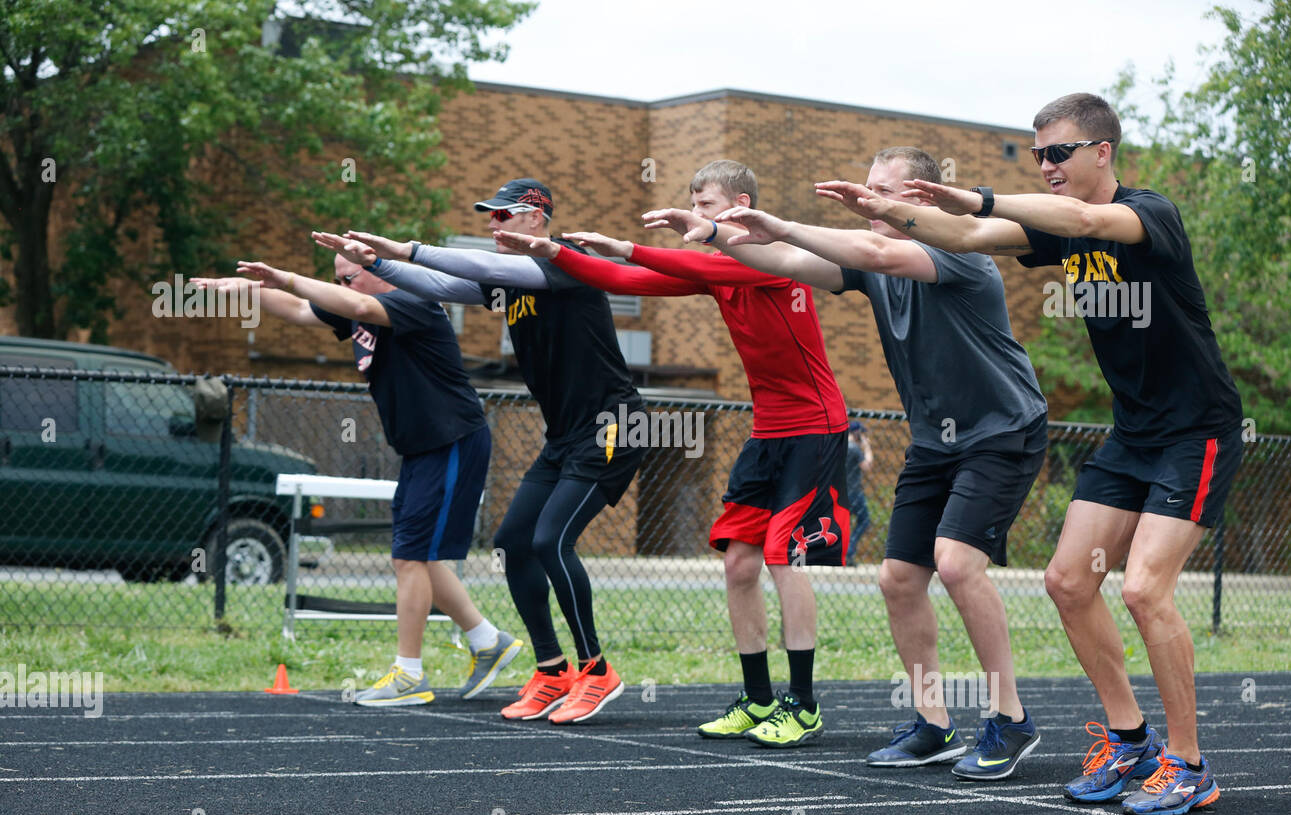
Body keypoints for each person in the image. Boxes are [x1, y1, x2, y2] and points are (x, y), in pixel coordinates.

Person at [840, 94, 1242, 815]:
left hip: (1197, 430)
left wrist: (984, 193)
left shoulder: (1150, 215)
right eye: (1037, 154)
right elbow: (958, 236)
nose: (1046, 164)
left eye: (1057, 152)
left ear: (1101, 153)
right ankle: (1130, 740)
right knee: (1066, 582)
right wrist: (892, 207)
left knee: (1146, 590)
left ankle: (1189, 763)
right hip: (1134, 433)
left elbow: (1086, 218)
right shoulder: (1059, 236)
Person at [639, 146, 1049, 779]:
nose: (863, 198)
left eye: (878, 190)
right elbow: (788, 261)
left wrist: (769, 220)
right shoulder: (873, 263)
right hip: (935, 441)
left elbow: (876, 251)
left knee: (957, 564)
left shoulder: (960, 253)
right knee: (897, 579)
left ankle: (1009, 717)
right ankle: (933, 723)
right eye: (862, 187)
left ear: (918, 197)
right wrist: (720, 235)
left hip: (1002, 431)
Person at [495, 160, 848, 749]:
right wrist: (561, 253)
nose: (695, 212)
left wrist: (627, 245)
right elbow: (627, 283)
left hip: (816, 427)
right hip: (768, 431)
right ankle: (757, 699)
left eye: (704, 204)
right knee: (739, 563)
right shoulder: (719, 273)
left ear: (738, 203)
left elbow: (677, 260)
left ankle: (803, 704)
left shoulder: (772, 263)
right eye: (692, 202)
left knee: (786, 558)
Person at [314, 178, 646, 725]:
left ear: (535, 218)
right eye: (488, 217)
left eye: (501, 216)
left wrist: (399, 250)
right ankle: (552, 669)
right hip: (566, 435)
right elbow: (446, 284)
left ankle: (597, 668)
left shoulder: (567, 261)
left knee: (550, 540)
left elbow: (485, 270)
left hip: (615, 425)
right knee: (515, 542)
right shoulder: (511, 282)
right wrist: (378, 260)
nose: (491, 226)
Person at [191, 258, 521, 705]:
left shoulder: (413, 301)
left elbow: (360, 307)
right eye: (337, 277)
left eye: (349, 275)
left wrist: (287, 276)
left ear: (382, 269)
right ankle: (487, 641)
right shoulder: (359, 302)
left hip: (452, 440)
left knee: (409, 557)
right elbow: (301, 311)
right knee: (417, 556)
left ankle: (408, 675)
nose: (340, 284)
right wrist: (247, 290)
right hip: (423, 447)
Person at [845, 421, 874, 565]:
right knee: (864, 520)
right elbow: (867, 466)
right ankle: (849, 551)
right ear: (856, 433)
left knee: (845, 523)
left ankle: (845, 552)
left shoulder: (841, 446)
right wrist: (867, 447)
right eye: (862, 433)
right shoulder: (855, 449)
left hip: (842, 492)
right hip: (855, 492)